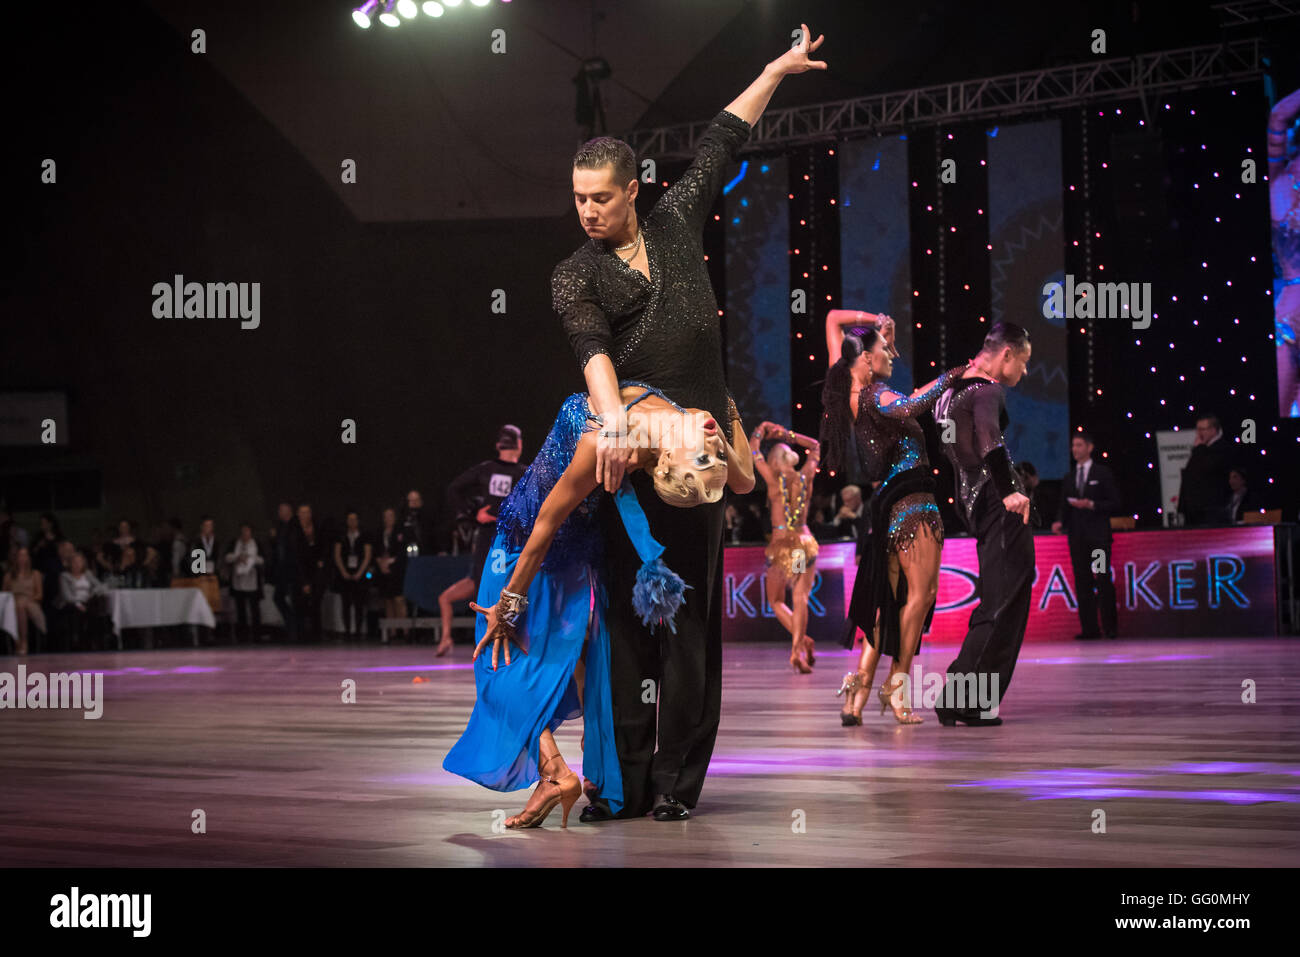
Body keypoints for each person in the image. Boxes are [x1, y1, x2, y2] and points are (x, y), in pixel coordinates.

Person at [551, 23, 827, 823]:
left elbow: (722, 136)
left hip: (701, 462)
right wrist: (616, 430)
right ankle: (625, 783)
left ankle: (676, 784)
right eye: (578, 198)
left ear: (634, 189)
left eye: (601, 197)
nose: (588, 211)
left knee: (691, 631)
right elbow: (593, 356)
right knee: (629, 624)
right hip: (632, 464)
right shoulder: (576, 274)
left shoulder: (675, 223)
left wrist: (775, 68)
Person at [443, 382, 754, 828]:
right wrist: (725, 410)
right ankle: (585, 775)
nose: (710, 438)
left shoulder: (616, 443)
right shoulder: (691, 418)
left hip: (532, 548)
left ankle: (559, 775)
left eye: (707, 449)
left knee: (503, 664)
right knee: (564, 662)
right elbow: (742, 477)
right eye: (710, 448)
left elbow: (546, 524)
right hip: (545, 548)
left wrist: (507, 604)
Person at [822, 317, 968, 725]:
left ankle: (857, 692)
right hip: (911, 501)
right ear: (867, 358)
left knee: (890, 605)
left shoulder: (852, 388)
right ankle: (897, 687)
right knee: (920, 596)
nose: (893, 353)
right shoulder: (877, 396)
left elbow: (835, 322)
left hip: (888, 503)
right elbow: (911, 406)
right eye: (885, 349)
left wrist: (875, 327)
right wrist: (952, 376)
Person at [932, 322, 1034, 727]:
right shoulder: (988, 389)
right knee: (1005, 601)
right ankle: (964, 698)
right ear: (1007, 353)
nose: (1023, 373)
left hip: (972, 500)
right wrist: (1009, 489)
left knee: (1000, 596)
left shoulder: (951, 391)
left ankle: (968, 699)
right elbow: (990, 438)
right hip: (996, 500)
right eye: (1023, 363)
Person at [436, 426, 528, 656]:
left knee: (484, 588)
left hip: (489, 537)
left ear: (498, 446)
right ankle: (509, 640)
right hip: (512, 539)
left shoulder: (487, 470)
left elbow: (454, 489)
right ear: (519, 445)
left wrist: (469, 516)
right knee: (512, 586)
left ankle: (485, 641)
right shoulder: (524, 473)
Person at [750, 420, 821, 673]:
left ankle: (799, 644)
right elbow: (815, 447)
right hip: (802, 544)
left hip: (782, 547)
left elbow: (752, 449)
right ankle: (798, 646)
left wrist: (762, 428)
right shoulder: (805, 476)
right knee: (800, 597)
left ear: (774, 461)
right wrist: (789, 434)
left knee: (776, 600)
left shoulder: (772, 479)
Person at [1052, 431, 1120, 640]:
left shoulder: (1102, 473)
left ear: (1089, 447)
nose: (1075, 449)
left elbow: (1115, 502)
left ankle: (1110, 627)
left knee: (1102, 578)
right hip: (1078, 539)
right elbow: (1064, 504)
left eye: (1079, 445)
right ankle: (1089, 629)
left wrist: (1093, 505)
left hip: (1098, 540)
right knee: (1082, 582)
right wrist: (1059, 521)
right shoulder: (1070, 476)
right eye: (1073, 445)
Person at [1269, 85, 1300, 417]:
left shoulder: (1278, 178)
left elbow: (1279, 115)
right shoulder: (1279, 177)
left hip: (1288, 310)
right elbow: (1278, 117)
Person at [1175, 414, 1230, 526]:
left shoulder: (1221, 448)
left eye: (1202, 429)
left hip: (1210, 509)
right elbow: (1190, 475)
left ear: (1213, 430)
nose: (1199, 433)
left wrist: (1199, 449)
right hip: (1194, 509)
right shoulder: (1202, 449)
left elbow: (1207, 470)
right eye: (1197, 429)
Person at [333, 509, 372, 638]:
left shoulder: (364, 535)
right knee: (346, 603)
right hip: (345, 573)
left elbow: (367, 555)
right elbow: (337, 555)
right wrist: (343, 571)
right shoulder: (342, 536)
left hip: (359, 574)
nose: (352, 522)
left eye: (354, 519)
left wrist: (360, 573)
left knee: (359, 603)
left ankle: (358, 631)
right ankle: (348, 630)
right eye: (350, 519)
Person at [269, 503, 303, 641]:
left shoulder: (294, 527)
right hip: (283, 571)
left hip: (292, 571)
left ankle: (295, 631)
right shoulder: (281, 527)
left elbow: (295, 551)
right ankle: (292, 627)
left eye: (281, 510)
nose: (279, 513)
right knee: (279, 597)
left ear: (288, 511)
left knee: (294, 601)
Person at [3, 547, 46, 655]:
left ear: (28, 558)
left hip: (31, 603)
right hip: (13, 606)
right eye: (20, 555)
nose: (22, 558)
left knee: (22, 604)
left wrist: (27, 599)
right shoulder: (9, 576)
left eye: (25, 555)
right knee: (19, 606)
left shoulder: (35, 574)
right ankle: (21, 641)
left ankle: (22, 642)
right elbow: (4, 595)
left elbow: (39, 595)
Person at [226, 523, 265, 642]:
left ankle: (257, 634)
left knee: (254, 609)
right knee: (240, 609)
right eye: (243, 531)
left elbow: (263, 559)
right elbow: (227, 557)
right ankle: (242, 635)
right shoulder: (235, 543)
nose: (245, 534)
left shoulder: (256, 543)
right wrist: (238, 557)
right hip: (238, 581)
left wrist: (251, 558)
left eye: (247, 531)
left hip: (252, 580)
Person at [297, 504, 330, 640]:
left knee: (316, 600)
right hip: (302, 572)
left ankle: (317, 632)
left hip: (317, 572)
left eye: (307, 512)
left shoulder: (318, 529)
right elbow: (297, 558)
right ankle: (304, 632)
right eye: (302, 513)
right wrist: (304, 581)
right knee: (303, 602)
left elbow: (325, 548)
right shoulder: (295, 532)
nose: (305, 515)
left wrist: (322, 560)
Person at [373, 507, 408, 634]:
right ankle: (391, 632)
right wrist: (381, 564)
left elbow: (403, 551)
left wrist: (391, 562)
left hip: (396, 569)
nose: (388, 519)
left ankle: (405, 631)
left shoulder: (400, 532)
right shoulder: (380, 532)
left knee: (399, 599)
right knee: (388, 600)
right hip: (383, 570)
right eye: (386, 516)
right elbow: (376, 550)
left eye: (391, 516)